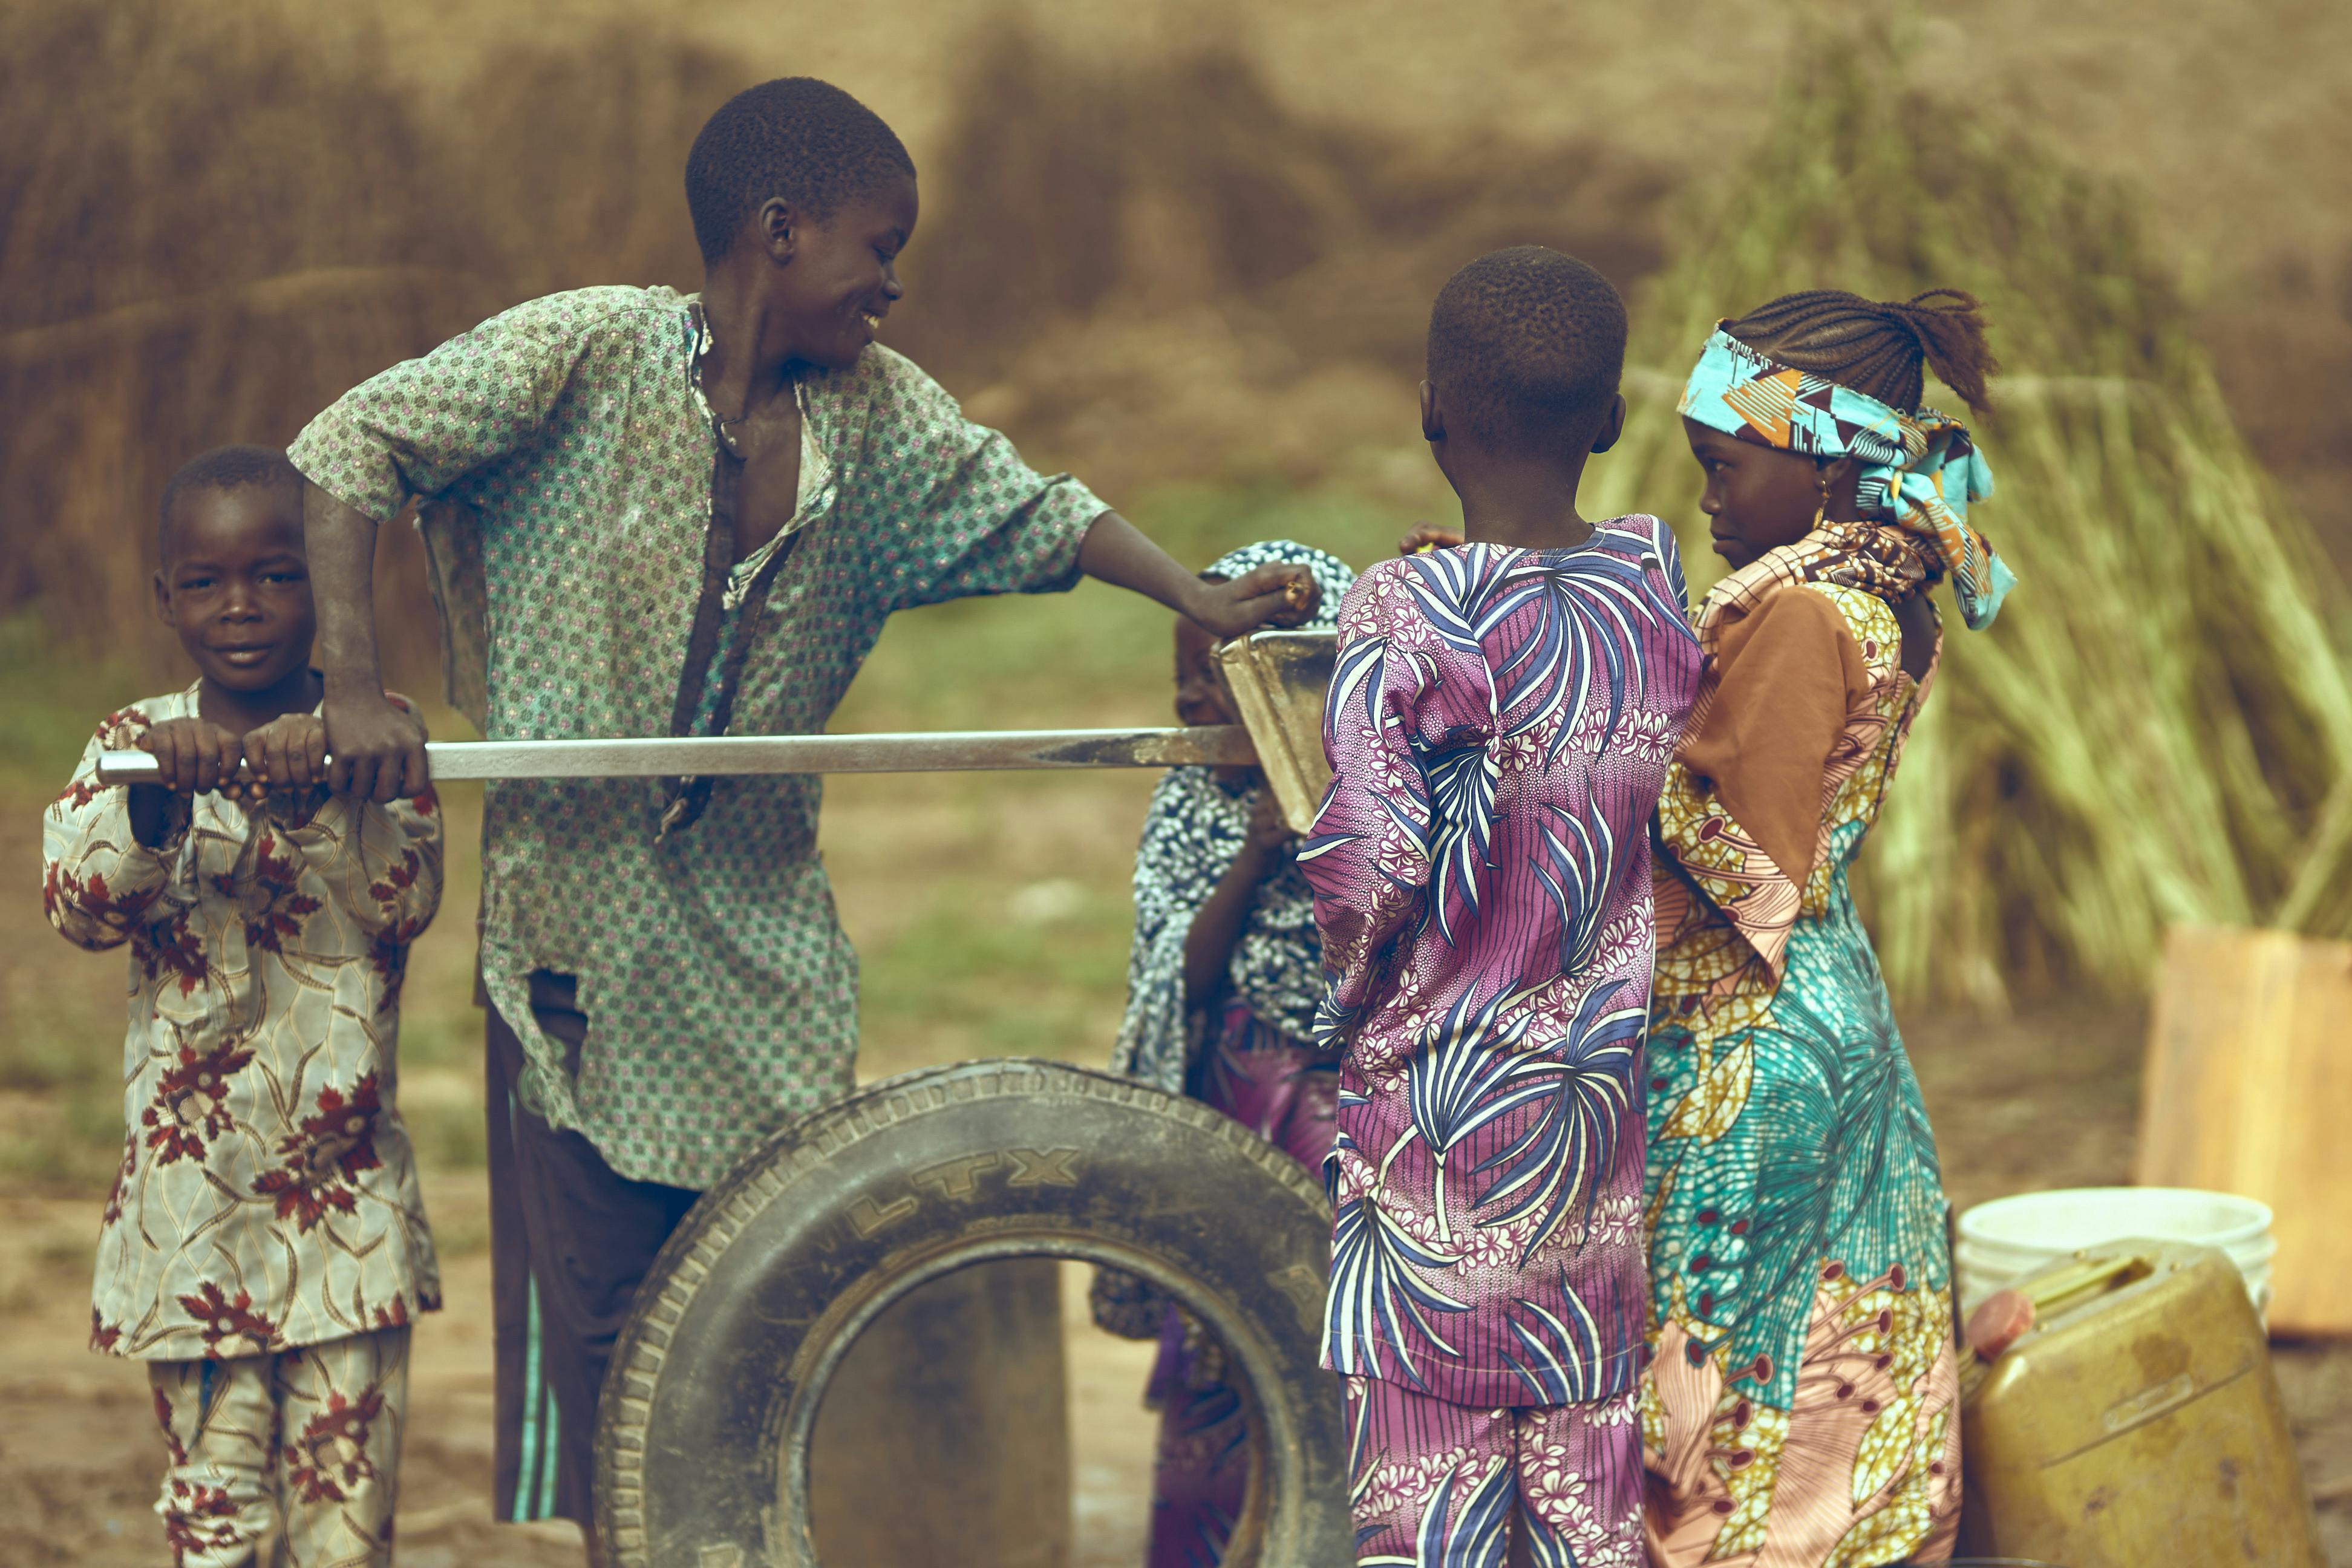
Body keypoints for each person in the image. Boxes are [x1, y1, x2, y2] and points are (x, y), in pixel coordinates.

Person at [282, 77, 1318, 1549]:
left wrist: (1196, 600)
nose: (895, 282)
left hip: (758, 950)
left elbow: (1040, 507)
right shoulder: (583, 353)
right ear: (780, 230)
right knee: (611, 1341)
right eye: (877, 246)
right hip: (569, 942)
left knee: (764, 1299)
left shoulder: (879, 422)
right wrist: (351, 684)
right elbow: (349, 446)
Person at [1300, 247, 1702, 1566]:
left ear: (1430, 410)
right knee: (1591, 1520)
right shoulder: (1652, 593)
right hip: (1590, 1149)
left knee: (1430, 1525)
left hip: (1436, 1144)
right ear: (1611, 421)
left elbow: (1370, 868)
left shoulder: (1403, 609)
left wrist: (1351, 1017)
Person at [1639, 289, 2014, 1566]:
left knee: (1727, 1394)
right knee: (1824, 1362)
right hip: (1827, 992)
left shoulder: (1798, 613)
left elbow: (1725, 856)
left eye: (1722, 466)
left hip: (1748, 1034)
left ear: (1819, 460)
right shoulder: (1879, 582)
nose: (1706, 497)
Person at [42, 445, 443, 1568]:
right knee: (217, 1528)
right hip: (194, 1217)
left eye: (277, 576)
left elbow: (402, 900)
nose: (243, 607)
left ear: (330, 589)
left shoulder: (379, 733)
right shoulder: (130, 745)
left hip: (346, 1217)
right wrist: (161, 806)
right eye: (209, 582)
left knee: (344, 1535)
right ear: (164, 598)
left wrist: (321, 790)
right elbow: (76, 907)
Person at [1093, 538, 1356, 1567]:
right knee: (1220, 1360)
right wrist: (1256, 851)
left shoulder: (1372, 800)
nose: (1194, 705)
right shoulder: (1191, 804)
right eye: (1182, 683)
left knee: (1329, 1361)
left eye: (1216, 679)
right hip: (1235, 1108)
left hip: (1341, 1127)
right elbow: (1184, 979)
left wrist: (1311, 823)